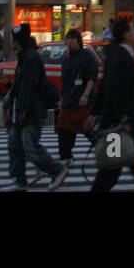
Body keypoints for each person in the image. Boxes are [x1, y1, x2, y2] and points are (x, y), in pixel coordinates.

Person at [1, 24, 67, 192]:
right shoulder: (25, 56)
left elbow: (29, 86)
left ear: (18, 41)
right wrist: (10, 102)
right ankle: (19, 180)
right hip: (23, 109)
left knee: (29, 146)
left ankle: (57, 170)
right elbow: (19, 85)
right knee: (14, 143)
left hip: (31, 110)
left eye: (11, 39)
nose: (10, 41)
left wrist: (21, 109)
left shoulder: (30, 58)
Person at [88, 20, 134, 191]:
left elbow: (105, 86)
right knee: (112, 169)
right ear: (126, 35)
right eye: (133, 30)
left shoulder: (117, 55)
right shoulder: (122, 58)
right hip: (119, 126)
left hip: (120, 124)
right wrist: (126, 119)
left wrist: (95, 112)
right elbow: (116, 91)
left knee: (128, 166)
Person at [55, 29, 98, 166]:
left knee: (90, 130)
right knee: (63, 131)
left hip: (82, 102)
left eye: (73, 38)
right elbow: (64, 81)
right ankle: (65, 157)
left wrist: (86, 94)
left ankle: (111, 152)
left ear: (78, 40)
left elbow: (92, 77)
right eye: (68, 39)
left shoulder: (87, 56)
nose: (70, 42)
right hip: (68, 101)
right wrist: (62, 99)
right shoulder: (67, 58)